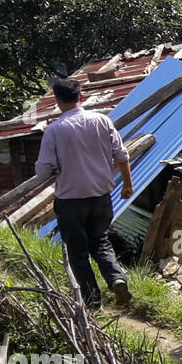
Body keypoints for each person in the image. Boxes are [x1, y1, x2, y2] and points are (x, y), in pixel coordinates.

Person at [34, 77, 135, 310]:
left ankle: (93, 303)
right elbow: (122, 155)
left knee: (78, 252)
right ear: (81, 97)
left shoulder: (54, 130)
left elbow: (43, 171)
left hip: (70, 202)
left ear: (58, 100)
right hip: (101, 197)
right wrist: (127, 186)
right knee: (100, 241)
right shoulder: (102, 121)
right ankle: (116, 279)